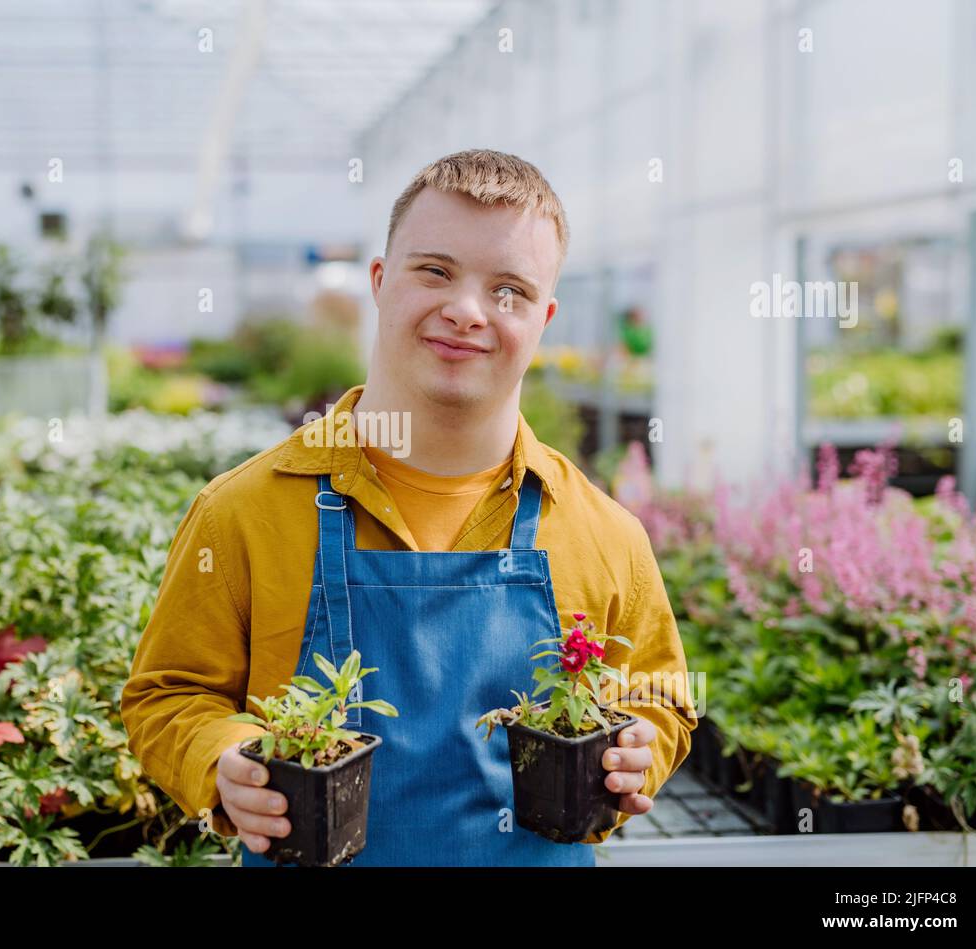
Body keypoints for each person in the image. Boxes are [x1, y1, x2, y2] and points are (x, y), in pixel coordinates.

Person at [120, 148, 697, 866]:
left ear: (544, 318)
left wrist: (639, 748)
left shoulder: (604, 533)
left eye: (509, 290)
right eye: (436, 271)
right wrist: (224, 760)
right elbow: (169, 694)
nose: (466, 311)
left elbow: (659, 693)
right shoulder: (243, 512)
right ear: (381, 281)